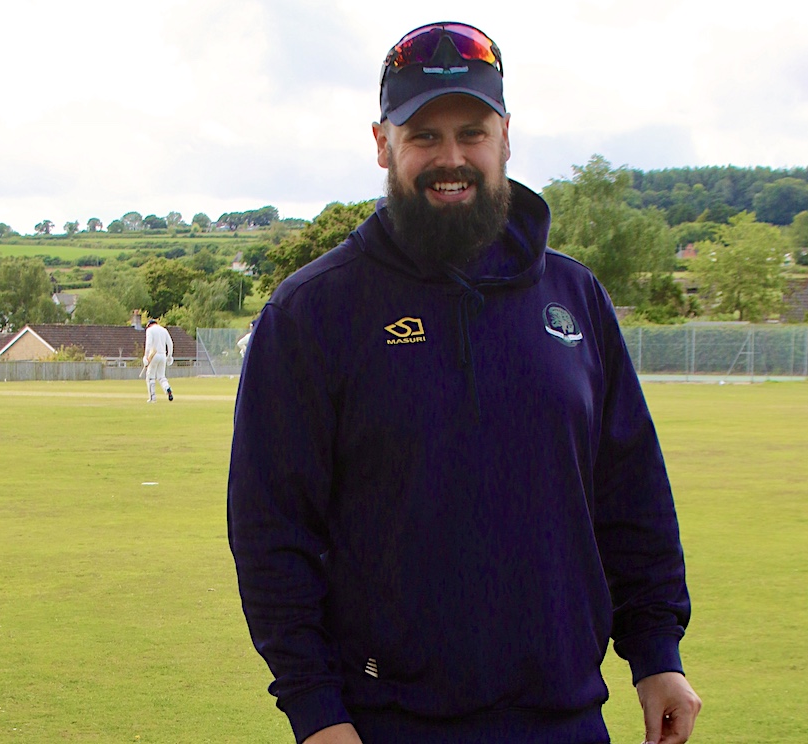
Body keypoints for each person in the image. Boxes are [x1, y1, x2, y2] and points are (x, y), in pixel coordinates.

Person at [228, 21, 700, 744]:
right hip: (388, 725)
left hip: (568, 719)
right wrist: (316, 713)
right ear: (383, 144)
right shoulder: (312, 312)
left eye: (472, 133)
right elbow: (272, 532)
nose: (451, 159)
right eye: (423, 136)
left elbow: (629, 492)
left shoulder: (574, 298)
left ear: (506, 137)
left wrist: (657, 652)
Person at [143, 318, 174, 402]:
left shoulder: (150, 330)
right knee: (161, 377)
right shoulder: (164, 330)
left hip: (153, 355)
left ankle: (152, 398)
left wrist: (145, 356)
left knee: (150, 376)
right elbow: (170, 343)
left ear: (149, 325)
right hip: (163, 355)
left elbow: (148, 344)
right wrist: (169, 355)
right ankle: (167, 388)